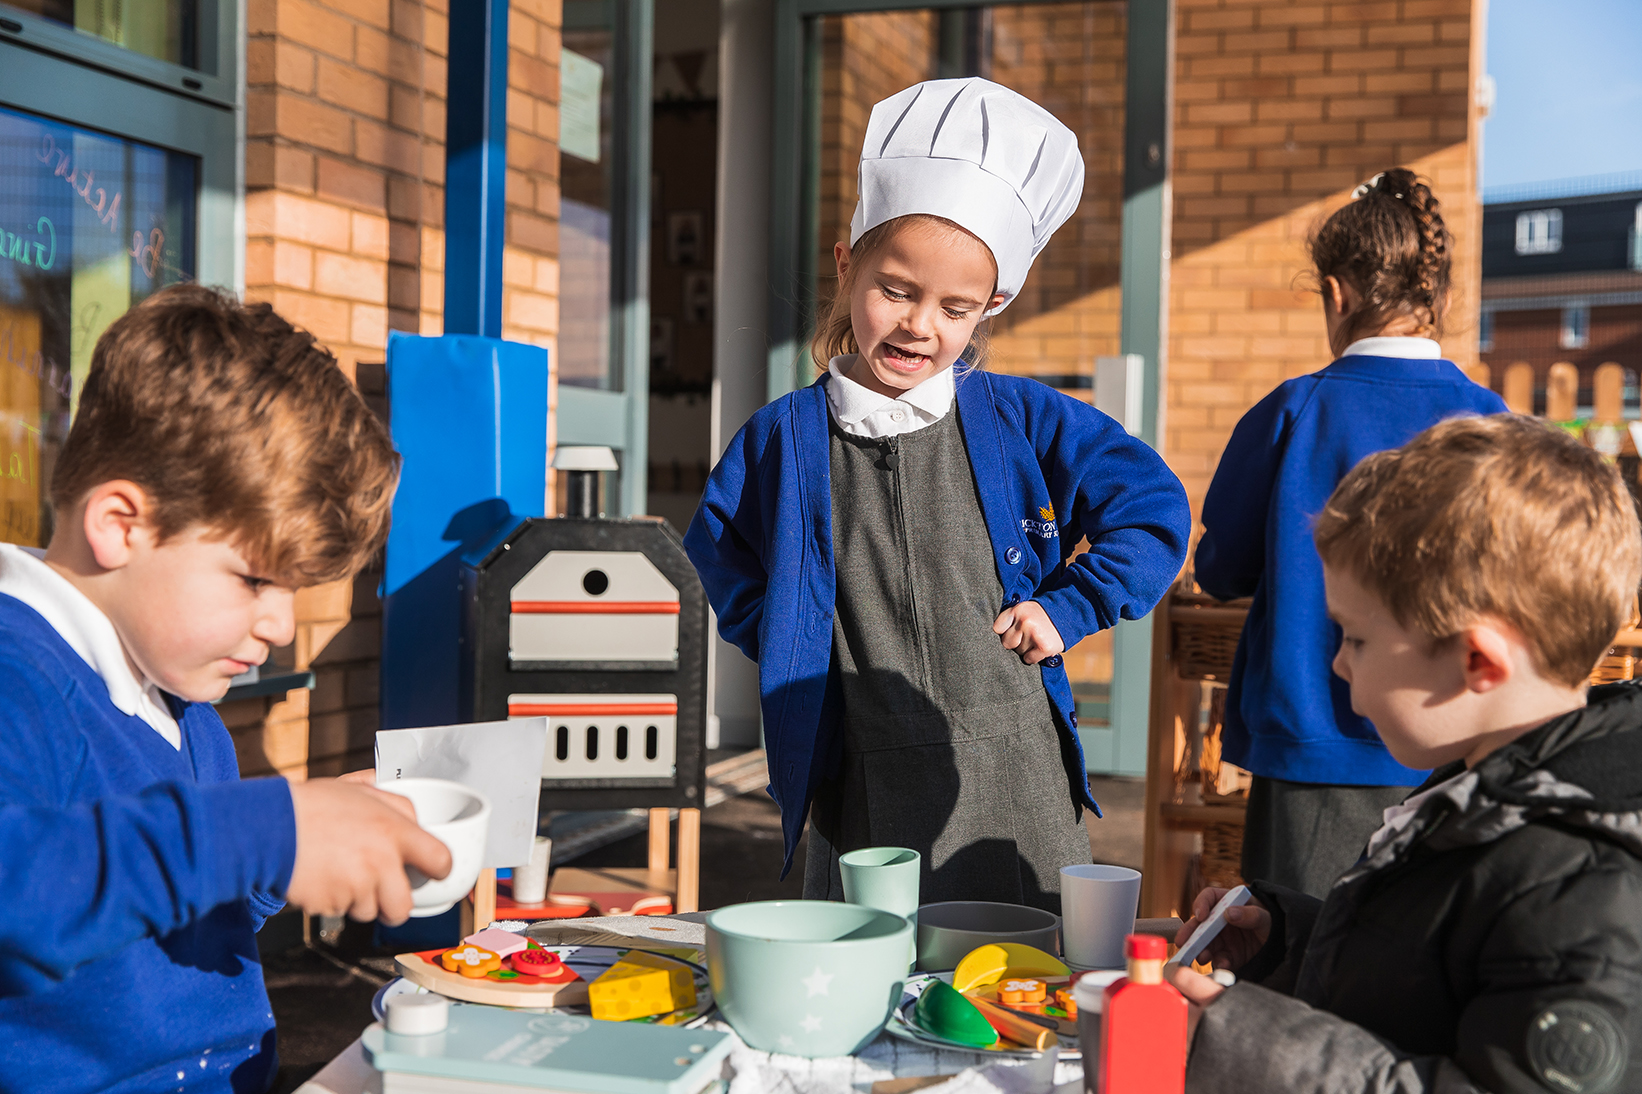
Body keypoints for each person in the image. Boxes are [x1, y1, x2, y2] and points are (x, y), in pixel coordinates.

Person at [684, 77, 1191, 912]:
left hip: (1015, 772)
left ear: (989, 307)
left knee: (1019, 974)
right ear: (849, 268)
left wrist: (1073, 607)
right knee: (868, 974)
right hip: (861, 776)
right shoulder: (782, 437)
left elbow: (1153, 506)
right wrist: (790, 633)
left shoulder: (1023, 418)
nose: (922, 324)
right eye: (896, 290)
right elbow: (721, 548)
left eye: (956, 308)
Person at [0, 284, 448, 1092]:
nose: (280, 626)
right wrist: (264, 829)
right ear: (122, 525)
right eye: (253, 581)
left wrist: (291, 851)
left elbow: (168, 910)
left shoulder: (185, 706)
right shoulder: (16, 676)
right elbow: (18, 885)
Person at [1169, 414, 1642, 1093]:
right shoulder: (1482, 794)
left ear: (1478, 659)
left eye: (1357, 638)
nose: (1338, 663)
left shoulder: (1585, 887)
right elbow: (1427, 979)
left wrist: (1257, 1046)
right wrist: (1288, 941)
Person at [1193, 168, 1509, 897]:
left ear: (1334, 294)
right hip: (1457, 742)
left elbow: (1221, 569)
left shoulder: (1291, 411)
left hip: (1312, 746)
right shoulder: (1492, 422)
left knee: (1297, 953)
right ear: (1444, 299)